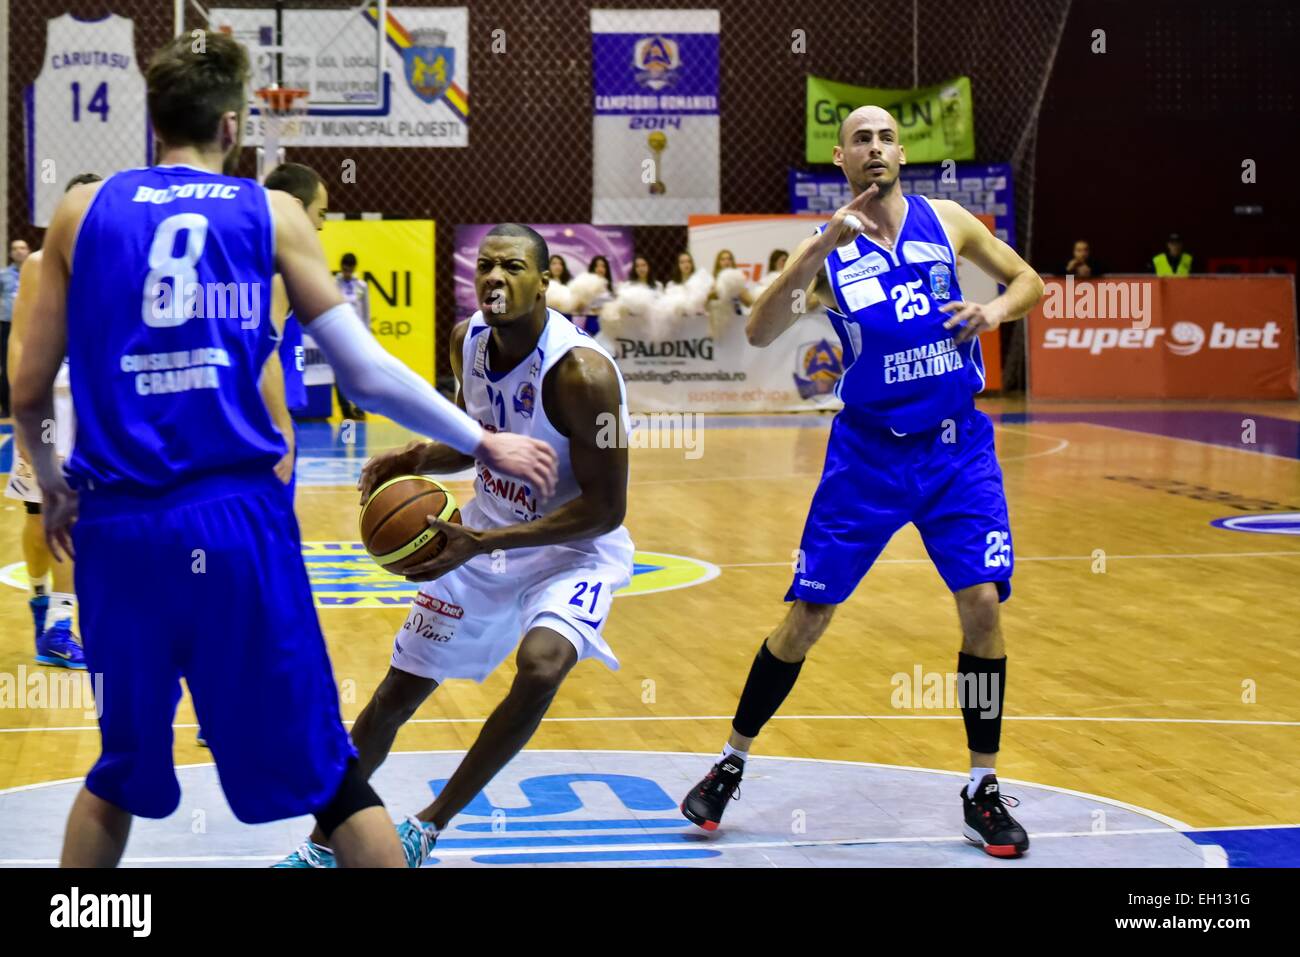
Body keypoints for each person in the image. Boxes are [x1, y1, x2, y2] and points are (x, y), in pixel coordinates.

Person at [12, 33, 557, 869]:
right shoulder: (269, 212)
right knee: (333, 777)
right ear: (232, 127)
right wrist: (483, 438)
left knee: (117, 773)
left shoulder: (81, 213)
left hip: (118, 530)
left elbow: (25, 386)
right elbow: (367, 376)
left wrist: (52, 485)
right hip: (236, 525)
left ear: (150, 120)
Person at [680, 105, 1045, 859]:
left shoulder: (947, 220)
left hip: (955, 450)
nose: (875, 148)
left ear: (900, 153)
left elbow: (1029, 281)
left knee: (981, 602)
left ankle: (982, 785)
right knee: (806, 617)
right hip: (868, 457)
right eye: (861, 140)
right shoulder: (828, 249)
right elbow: (758, 331)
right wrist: (814, 251)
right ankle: (731, 761)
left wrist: (993, 309)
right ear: (841, 160)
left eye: (885, 137)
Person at [276, 224, 633, 868]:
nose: (495, 278)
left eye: (514, 267)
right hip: (478, 539)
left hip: (571, 550)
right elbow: (485, 434)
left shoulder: (585, 376)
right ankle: (323, 841)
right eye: (486, 267)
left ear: (545, 281)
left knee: (543, 665)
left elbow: (606, 511)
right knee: (393, 697)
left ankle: (427, 827)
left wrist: (484, 541)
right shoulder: (466, 340)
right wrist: (417, 455)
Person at [5, 175, 100, 668]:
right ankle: (43, 605)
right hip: (48, 404)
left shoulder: (113, 258)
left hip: (90, 406)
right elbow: (20, 341)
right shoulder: (40, 264)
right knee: (37, 515)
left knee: (75, 517)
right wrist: (24, 415)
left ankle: (61, 625)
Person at [334, 252, 368, 419]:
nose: (347, 272)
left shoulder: (361, 286)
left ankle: (360, 407)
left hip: (357, 335)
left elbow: (366, 312)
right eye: (345, 269)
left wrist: (366, 335)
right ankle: (346, 409)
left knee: (359, 371)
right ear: (341, 267)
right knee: (339, 372)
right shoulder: (333, 284)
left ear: (354, 268)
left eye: (350, 269)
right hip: (339, 334)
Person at [1, 239, 32, 417]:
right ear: (11, 253)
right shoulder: (3, 275)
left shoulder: (38, 272)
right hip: (8, 325)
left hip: (32, 326)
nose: (19, 251)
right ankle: (6, 407)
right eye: (15, 249)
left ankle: (31, 406)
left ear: (28, 250)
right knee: (7, 365)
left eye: (22, 247)